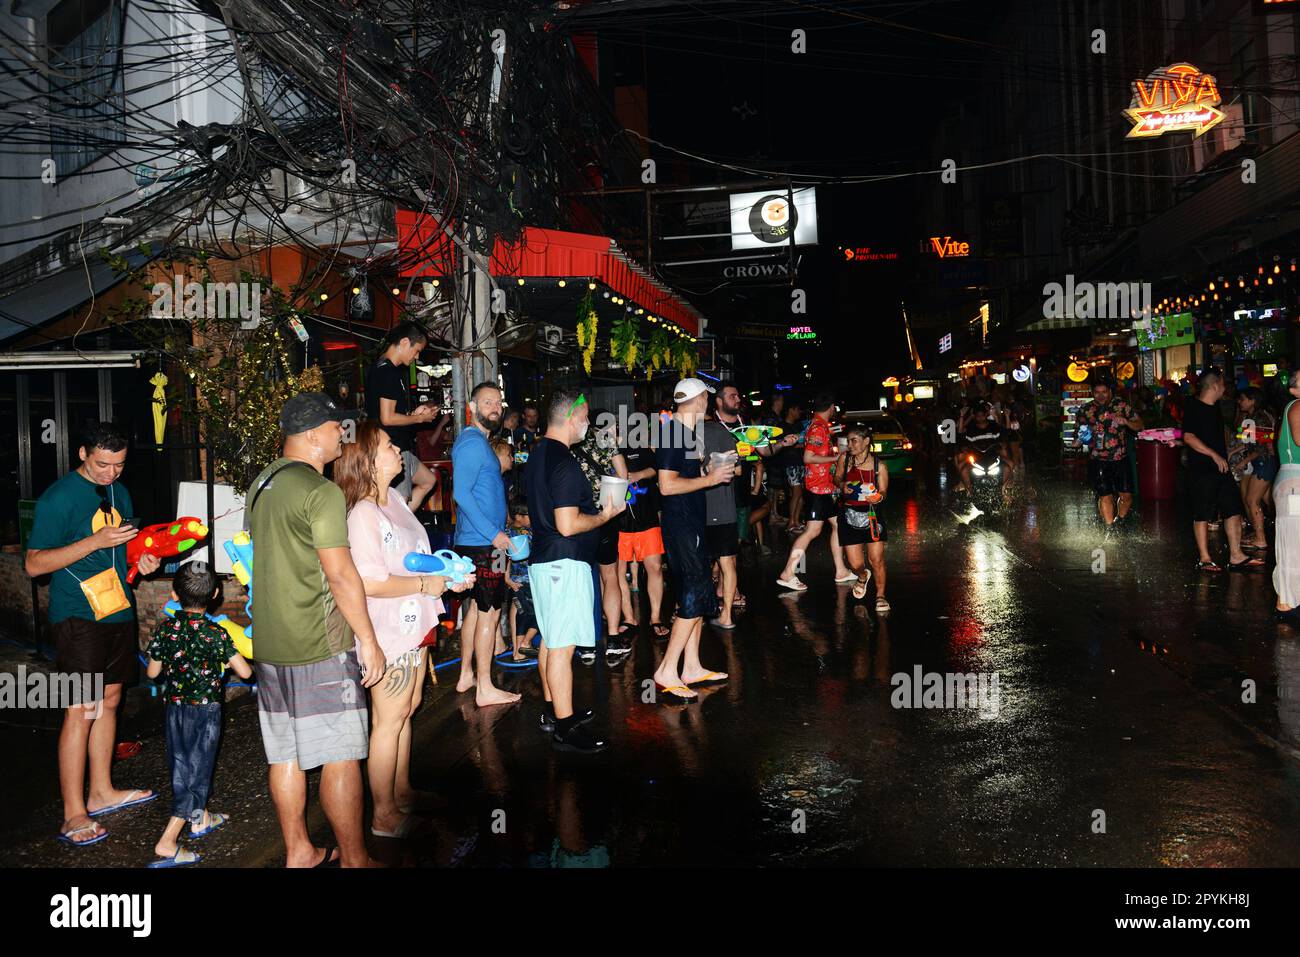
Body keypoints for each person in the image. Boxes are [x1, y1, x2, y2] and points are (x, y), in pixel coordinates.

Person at [246, 392, 387, 868]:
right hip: (319, 643)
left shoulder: (262, 482)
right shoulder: (320, 492)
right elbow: (342, 574)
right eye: (334, 429)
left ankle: (299, 851)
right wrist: (368, 640)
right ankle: (354, 859)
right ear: (311, 436)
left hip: (268, 642)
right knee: (341, 753)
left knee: (285, 752)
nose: (340, 436)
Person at [25, 421, 161, 848]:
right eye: (103, 464)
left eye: (119, 465)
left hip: (117, 607)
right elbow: (33, 565)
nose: (111, 474)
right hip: (77, 615)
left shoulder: (121, 491)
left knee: (111, 700)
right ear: (83, 453)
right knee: (80, 707)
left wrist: (143, 562)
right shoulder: (58, 498)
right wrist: (95, 541)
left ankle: (101, 792)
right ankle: (72, 812)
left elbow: (123, 552)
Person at [336, 422, 471, 840]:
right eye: (390, 446)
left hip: (414, 625)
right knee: (389, 720)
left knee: (408, 709)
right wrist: (423, 586)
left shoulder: (393, 498)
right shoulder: (362, 513)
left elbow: (417, 560)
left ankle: (402, 792)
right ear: (368, 463)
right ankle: (383, 815)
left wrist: (447, 578)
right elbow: (369, 581)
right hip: (387, 629)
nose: (399, 451)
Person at [524, 387, 626, 751]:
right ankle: (565, 729)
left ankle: (556, 712)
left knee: (552, 640)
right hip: (562, 561)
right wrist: (604, 515)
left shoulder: (539, 454)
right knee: (562, 646)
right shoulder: (564, 461)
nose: (587, 422)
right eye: (583, 416)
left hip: (545, 559)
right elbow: (567, 524)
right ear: (570, 417)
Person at [144, 561, 252, 867]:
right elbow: (245, 672)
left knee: (183, 766)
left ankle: (200, 817)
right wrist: (230, 658)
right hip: (205, 713)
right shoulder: (215, 633)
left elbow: (153, 672)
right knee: (198, 772)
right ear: (216, 594)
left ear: (175, 595)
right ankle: (167, 841)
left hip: (175, 710)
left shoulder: (167, 629)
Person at [654, 378, 735, 700]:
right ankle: (666, 670)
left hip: (691, 524)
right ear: (699, 398)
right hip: (683, 528)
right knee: (692, 595)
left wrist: (706, 473)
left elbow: (682, 479)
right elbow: (666, 486)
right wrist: (711, 478)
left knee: (699, 595)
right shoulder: (674, 433)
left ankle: (691, 666)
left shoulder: (685, 434)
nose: (709, 404)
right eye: (707, 398)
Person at [451, 382, 519, 706]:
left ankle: (467, 676)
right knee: (490, 614)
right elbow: (460, 494)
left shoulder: (479, 443)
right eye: (486, 402)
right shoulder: (471, 443)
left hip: (480, 543)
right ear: (473, 409)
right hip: (483, 545)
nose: (494, 407)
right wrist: (494, 536)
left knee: (477, 613)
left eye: (497, 402)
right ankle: (485, 687)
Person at [366, 321, 450, 512]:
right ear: (405, 342)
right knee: (399, 501)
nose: (417, 356)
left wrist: (412, 415)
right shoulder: (387, 372)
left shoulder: (385, 369)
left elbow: (386, 415)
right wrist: (419, 419)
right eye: (417, 350)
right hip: (393, 447)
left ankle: (402, 521)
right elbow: (387, 418)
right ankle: (398, 530)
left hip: (396, 445)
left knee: (428, 481)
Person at [1182, 369, 1261, 572]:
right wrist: (1213, 455)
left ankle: (1236, 555)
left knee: (1233, 509)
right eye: (1223, 384)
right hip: (1202, 470)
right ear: (1215, 385)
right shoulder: (1193, 406)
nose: (1225, 389)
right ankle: (1205, 558)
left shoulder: (1216, 408)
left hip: (1221, 468)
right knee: (1202, 513)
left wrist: (1226, 453)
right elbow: (1188, 437)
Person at [777, 392, 853, 591]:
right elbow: (808, 458)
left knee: (838, 525)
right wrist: (835, 459)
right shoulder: (819, 427)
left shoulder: (816, 424)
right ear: (831, 407)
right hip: (817, 487)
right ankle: (788, 572)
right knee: (812, 531)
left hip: (825, 486)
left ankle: (841, 570)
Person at [573, 410, 632, 661]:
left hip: (576, 517)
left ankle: (586, 644)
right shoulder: (606, 441)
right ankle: (613, 638)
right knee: (610, 576)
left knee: (582, 578)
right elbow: (624, 476)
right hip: (605, 516)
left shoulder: (568, 442)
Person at [619, 423, 668, 639]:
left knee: (655, 567)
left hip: (647, 518)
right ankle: (629, 618)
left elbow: (656, 467)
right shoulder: (600, 452)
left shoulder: (637, 445)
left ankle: (655, 617)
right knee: (619, 573)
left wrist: (636, 474)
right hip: (618, 522)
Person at [701, 386, 743, 629]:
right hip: (725, 508)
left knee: (699, 564)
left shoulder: (686, 434)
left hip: (701, 509)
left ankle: (697, 612)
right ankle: (726, 615)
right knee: (727, 563)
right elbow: (737, 470)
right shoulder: (726, 433)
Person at [837, 425, 891, 613]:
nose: (849, 444)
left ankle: (881, 595)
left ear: (866, 442)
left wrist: (878, 497)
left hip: (872, 516)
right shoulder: (845, 459)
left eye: (854, 440)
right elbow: (837, 478)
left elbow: (883, 491)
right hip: (848, 515)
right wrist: (842, 485)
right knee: (855, 564)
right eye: (848, 441)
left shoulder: (879, 466)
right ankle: (862, 576)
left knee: (876, 559)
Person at [1072, 380, 1140, 527]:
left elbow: (1140, 425)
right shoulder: (1085, 409)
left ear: (1110, 391)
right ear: (1092, 393)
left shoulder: (1121, 406)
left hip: (1120, 457)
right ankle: (1110, 528)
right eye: (1097, 392)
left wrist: (1127, 423)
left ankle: (1119, 520)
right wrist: (1079, 441)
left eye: (1104, 392)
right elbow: (1078, 435)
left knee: (1127, 495)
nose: (1101, 395)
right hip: (1098, 460)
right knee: (1105, 495)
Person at [1231, 387, 1277, 552]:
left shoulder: (1260, 418)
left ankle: (1260, 539)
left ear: (1252, 401)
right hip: (1261, 463)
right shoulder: (1251, 417)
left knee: (1252, 501)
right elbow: (1248, 441)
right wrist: (1232, 452)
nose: (1239, 402)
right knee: (1269, 502)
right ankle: (1263, 533)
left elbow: (1262, 448)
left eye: (1242, 399)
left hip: (1264, 463)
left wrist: (1243, 462)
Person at [1274, 372, 1300, 618]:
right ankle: (1287, 604)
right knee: (1293, 543)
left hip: (1292, 481)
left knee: (1293, 543)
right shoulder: (1298, 406)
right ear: (1294, 389)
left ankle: (1288, 600)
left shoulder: (1291, 407)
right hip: (1295, 484)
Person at [955, 402, 1013, 496]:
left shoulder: (993, 425)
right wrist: (962, 416)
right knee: (962, 468)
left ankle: (1002, 489)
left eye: (982, 415)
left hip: (993, 456)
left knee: (1009, 465)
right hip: (976, 457)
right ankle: (970, 491)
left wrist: (1007, 416)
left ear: (986, 415)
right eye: (978, 416)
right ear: (975, 416)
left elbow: (1006, 431)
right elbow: (960, 433)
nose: (980, 418)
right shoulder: (971, 428)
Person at [505, 501, 538, 661]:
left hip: (515, 581)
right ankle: (525, 643)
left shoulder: (506, 532)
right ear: (518, 516)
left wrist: (506, 578)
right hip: (530, 580)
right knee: (540, 611)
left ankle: (518, 651)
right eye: (528, 515)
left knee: (522, 613)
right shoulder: (528, 532)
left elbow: (503, 558)